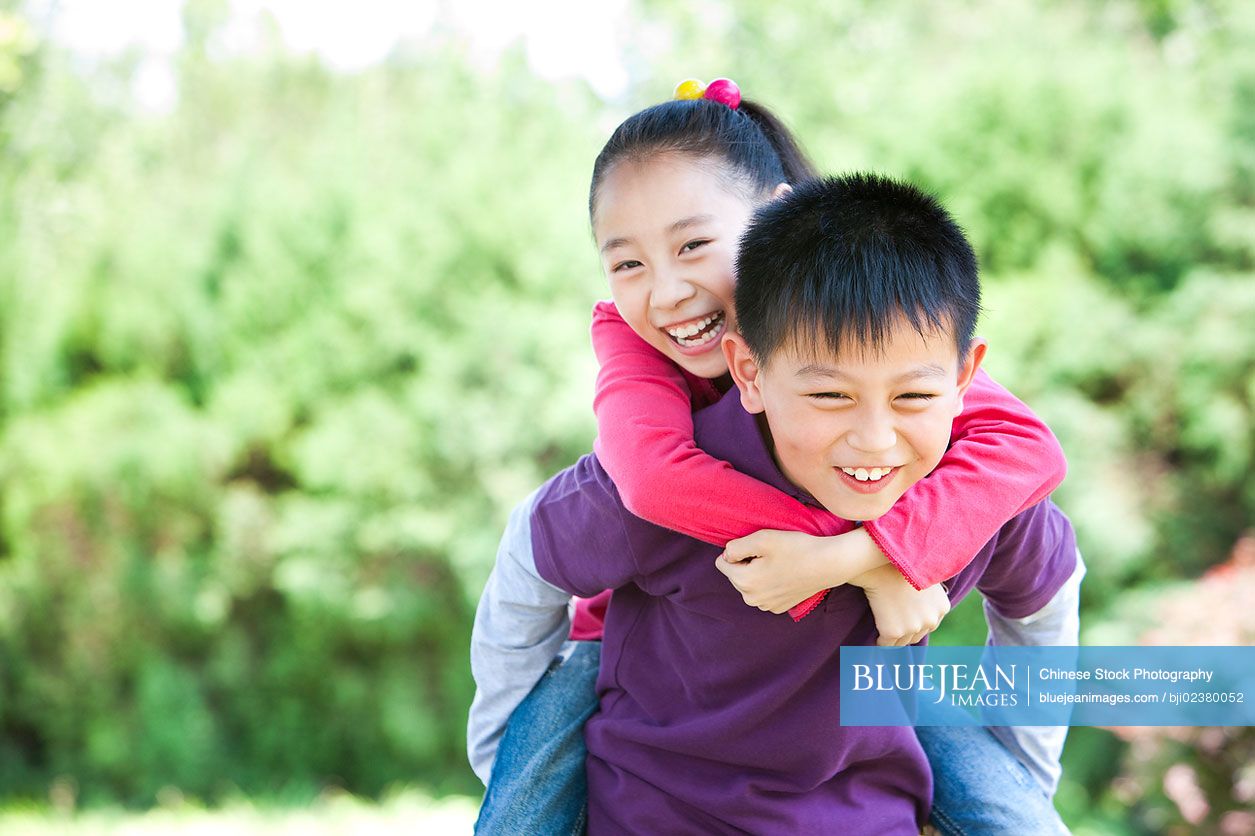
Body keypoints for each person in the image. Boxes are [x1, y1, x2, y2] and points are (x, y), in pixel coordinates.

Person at [470, 171, 1082, 833]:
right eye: (829, 396)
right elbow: (536, 549)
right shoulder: (666, 468)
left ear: (963, 379)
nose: (873, 440)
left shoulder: (974, 492)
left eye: (910, 398)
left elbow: (1044, 593)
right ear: (748, 373)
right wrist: (500, 748)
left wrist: (1023, 776)